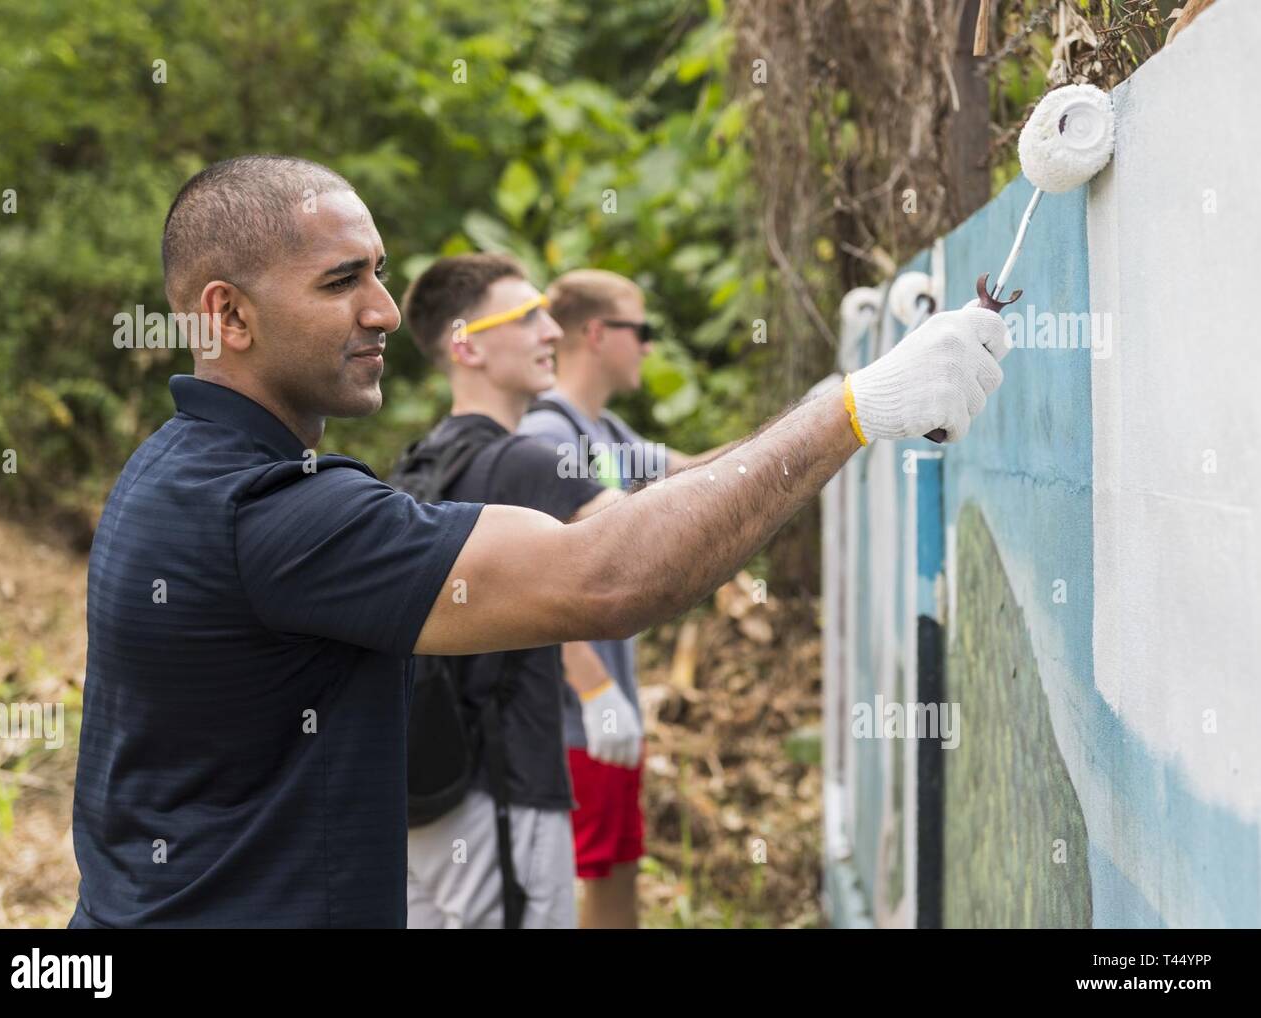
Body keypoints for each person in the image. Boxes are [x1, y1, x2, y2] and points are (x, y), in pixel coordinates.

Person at [69, 154, 1008, 928]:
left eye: (380, 273)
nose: (386, 311)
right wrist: (857, 408)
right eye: (341, 281)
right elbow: (605, 578)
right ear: (227, 315)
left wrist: (838, 409)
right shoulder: (269, 510)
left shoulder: (171, 471)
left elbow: (654, 499)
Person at [393, 253, 641, 928]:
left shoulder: (418, 463)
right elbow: (645, 555)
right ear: (465, 344)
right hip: (506, 795)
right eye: (527, 316)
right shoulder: (527, 461)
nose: (552, 331)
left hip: (416, 795)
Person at [517, 268, 727, 928]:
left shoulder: (603, 430)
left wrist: (821, 419)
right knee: (591, 874)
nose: (649, 347)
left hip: (607, 708)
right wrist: (595, 693)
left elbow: (693, 477)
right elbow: (534, 582)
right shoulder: (546, 439)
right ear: (597, 333)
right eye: (642, 331)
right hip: (574, 716)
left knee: (618, 868)